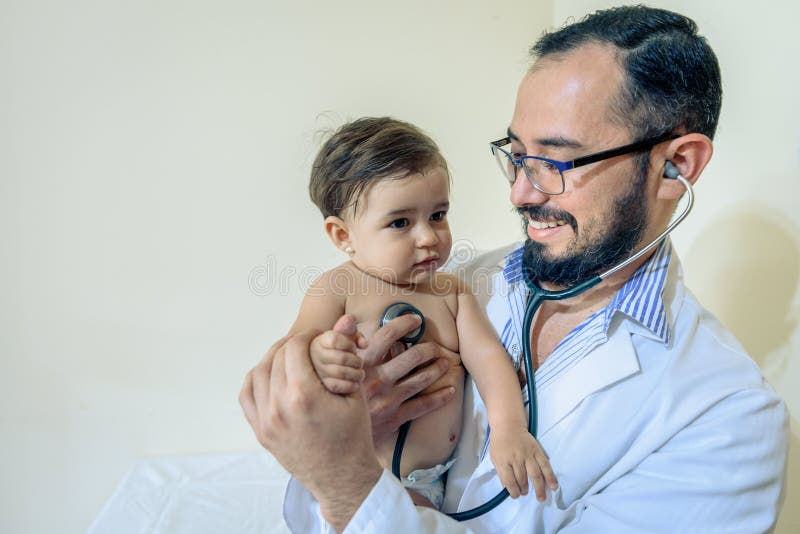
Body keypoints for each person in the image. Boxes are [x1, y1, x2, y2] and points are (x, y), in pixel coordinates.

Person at [240, 5, 789, 532]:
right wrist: (344, 432)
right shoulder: (456, 280)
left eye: (555, 160)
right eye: (517, 154)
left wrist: (347, 481)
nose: (520, 193)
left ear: (675, 165)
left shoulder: (727, 422)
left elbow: (340, 487)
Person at [286, 116, 556, 509]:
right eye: (400, 222)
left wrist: (509, 429)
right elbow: (293, 354)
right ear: (343, 235)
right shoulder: (337, 289)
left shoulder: (451, 292)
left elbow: (489, 360)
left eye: (438, 215)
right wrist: (321, 355)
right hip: (369, 475)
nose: (428, 237)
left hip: (439, 480)